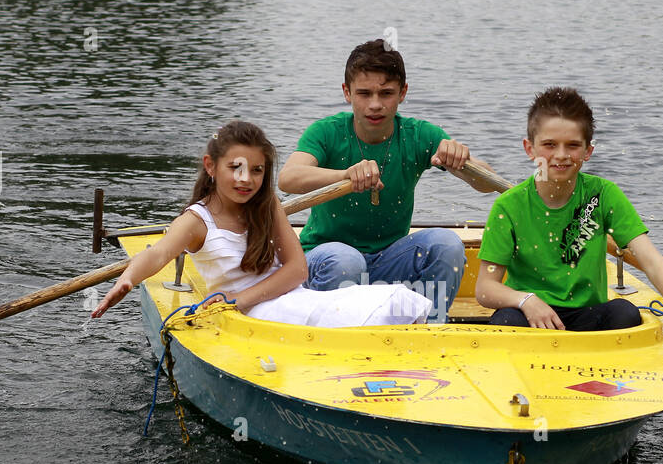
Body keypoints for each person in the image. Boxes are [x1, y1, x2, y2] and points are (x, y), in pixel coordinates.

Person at [91, 121, 431, 326]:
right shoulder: (197, 220)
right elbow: (158, 253)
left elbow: (297, 270)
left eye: (256, 170)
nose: (246, 179)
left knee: (399, 299)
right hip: (250, 319)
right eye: (235, 168)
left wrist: (241, 297)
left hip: (282, 297)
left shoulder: (267, 205)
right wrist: (127, 280)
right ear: (211, 166)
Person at [277, 39, 498, 322]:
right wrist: (345, 175)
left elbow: (487, 183)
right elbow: (288, 178)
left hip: (389, 261)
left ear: (403, 93)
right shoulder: (326, 132)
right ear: (347, 93)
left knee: (447, 244)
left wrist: (462, 163)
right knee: (348, 261)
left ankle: (426, 330)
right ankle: (338, 335)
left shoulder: (418, 134)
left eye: (386, 93)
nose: (375, 105)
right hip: (327, 261)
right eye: (364, 93)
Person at [475, 87, 663, 342]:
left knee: (625, 313)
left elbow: (651, 260)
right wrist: (525, 300)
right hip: (530, 316)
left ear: (587, 151)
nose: (560, 155)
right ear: (530, 149)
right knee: (506, 320)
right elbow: (485, 289)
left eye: (572, 145)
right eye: (549, 145)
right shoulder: (508, 206)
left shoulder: (603, 195)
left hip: (587, 317)